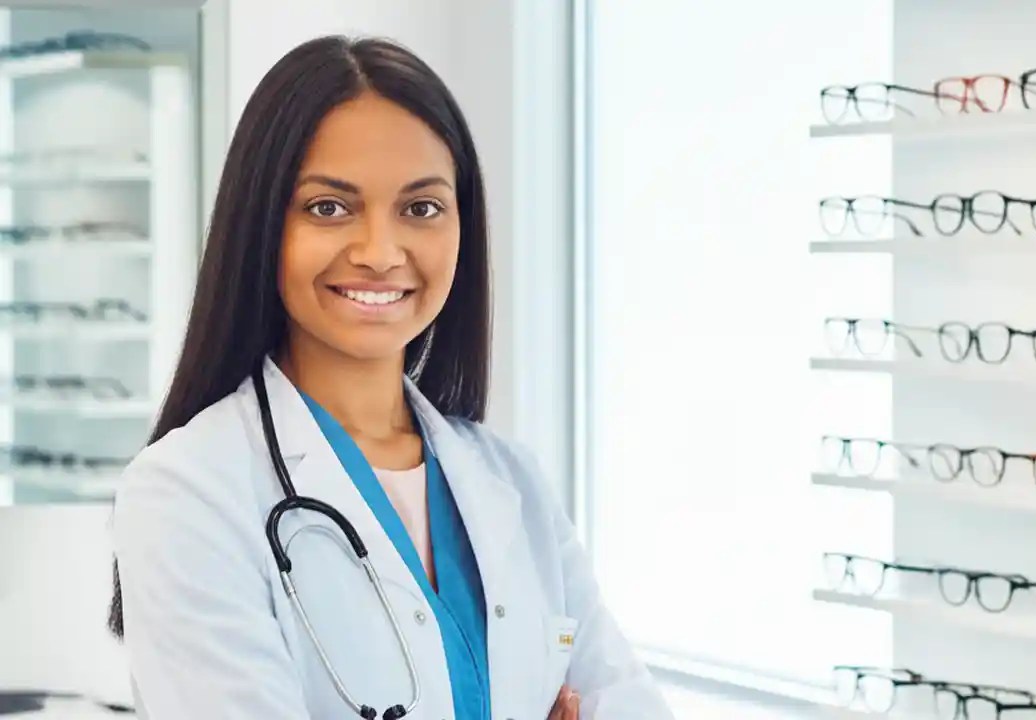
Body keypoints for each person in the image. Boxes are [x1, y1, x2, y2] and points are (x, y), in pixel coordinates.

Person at [108, 36, 672, 720]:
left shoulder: (512, 483)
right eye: (328, 207)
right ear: (262, 224)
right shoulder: (188, 491)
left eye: (421, 208)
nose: (380, 252)